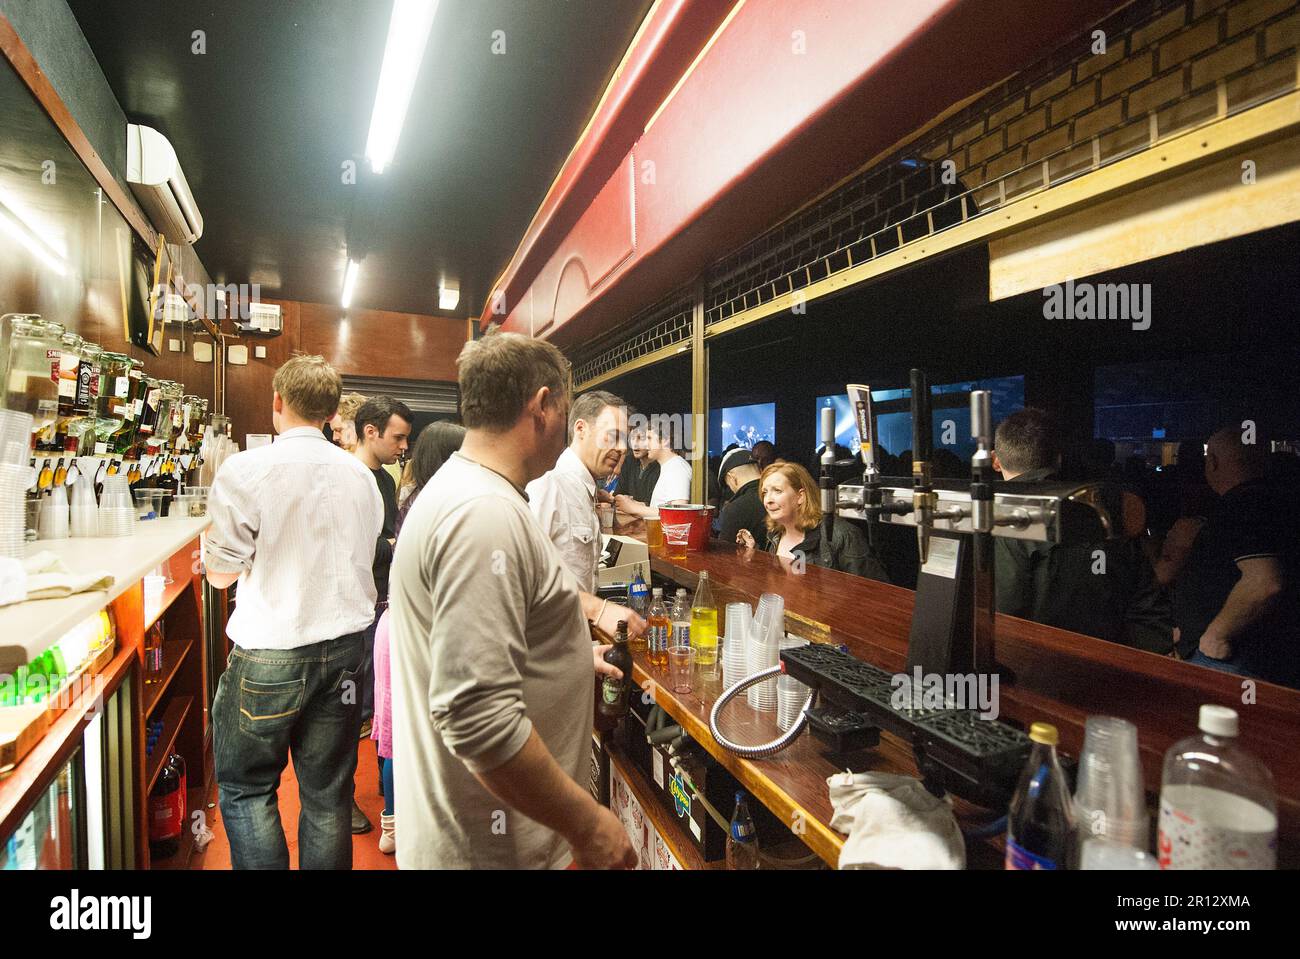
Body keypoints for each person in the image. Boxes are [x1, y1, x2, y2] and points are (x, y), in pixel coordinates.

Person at [389, 331, 637, 869]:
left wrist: (568, 657)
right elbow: (477, 715)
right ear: (543, 405)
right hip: (487, 848)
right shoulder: (484, 515)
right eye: (566, 407)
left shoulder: (471, 492)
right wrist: (588, 825)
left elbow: (476, 650)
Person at [204, 355, 382, 869]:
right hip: (346, 653)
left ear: (277, 402)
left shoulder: (246, 469)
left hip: (270, 655)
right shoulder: (361, 476)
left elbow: (220, 574)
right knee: (327, 793)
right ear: (330, 413)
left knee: (247, 788)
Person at [992, 409, 1170, 652]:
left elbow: (1006, 613)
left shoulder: (1004, 516)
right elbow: (1147, 608)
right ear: (1058, 458)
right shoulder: (1108, 508)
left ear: (995, 460)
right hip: (1117, 666)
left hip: (1041, 667)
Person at [371, 419, 465, 854]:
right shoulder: (444, 505)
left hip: (394, 625)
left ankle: (393, 820)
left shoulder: (414, 499)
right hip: (414, 630)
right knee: (412, 735)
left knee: (395, 733)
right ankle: (404, 823)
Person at [1172, 427, 1298, 688]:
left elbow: (1264, 581)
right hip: (1269, 655)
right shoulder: (1278, 500)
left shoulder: (1243, 503)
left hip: (1232, 660)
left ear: (1213, 462)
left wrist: (1216, 634)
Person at [527, 390, 648, 637]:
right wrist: (599, 610)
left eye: (624, 439)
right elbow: (523, 580)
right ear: (580, 429)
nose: (622, 448)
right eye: (613, 436)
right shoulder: (550, 484)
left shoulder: (585, 490)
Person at [350, 395, 412, 833]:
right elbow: (347, 541)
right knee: (349, 707)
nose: (403, 446)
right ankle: (341, 796)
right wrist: (389, 547)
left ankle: (385, 790)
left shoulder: (386, 481)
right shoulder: (349, 478)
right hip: (355, 607)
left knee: (379, 701)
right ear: (370, 431)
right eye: (398, 437)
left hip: (383, 600)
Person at [737, 461, 887, 581]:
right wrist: (752, 553)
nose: (768, 500)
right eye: (764, 492)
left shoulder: (841, 535)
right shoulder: (774, 534)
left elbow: (873, 594)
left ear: (800, 496)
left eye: (777, 491)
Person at [613, 419, 692, 518]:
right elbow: (663, 510)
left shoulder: (677, 468)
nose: (645, 444)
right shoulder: (669, 466)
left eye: (649, 438)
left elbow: (677, 514)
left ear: (665, 440)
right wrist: (634, 504)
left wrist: (633, 508)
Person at [717, 447, 767, 548]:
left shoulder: (735, 508)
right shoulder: (780, 497)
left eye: (728, 484)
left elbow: (725, 555)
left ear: (732, 478)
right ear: (761, 470)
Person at [615, 422, 659, 505]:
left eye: (641, 438)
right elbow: (618, 494)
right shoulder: (629, 461)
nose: (635, 444)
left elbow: (652, 504)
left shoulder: (659, 466)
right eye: (632, 438)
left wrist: (628, 501)